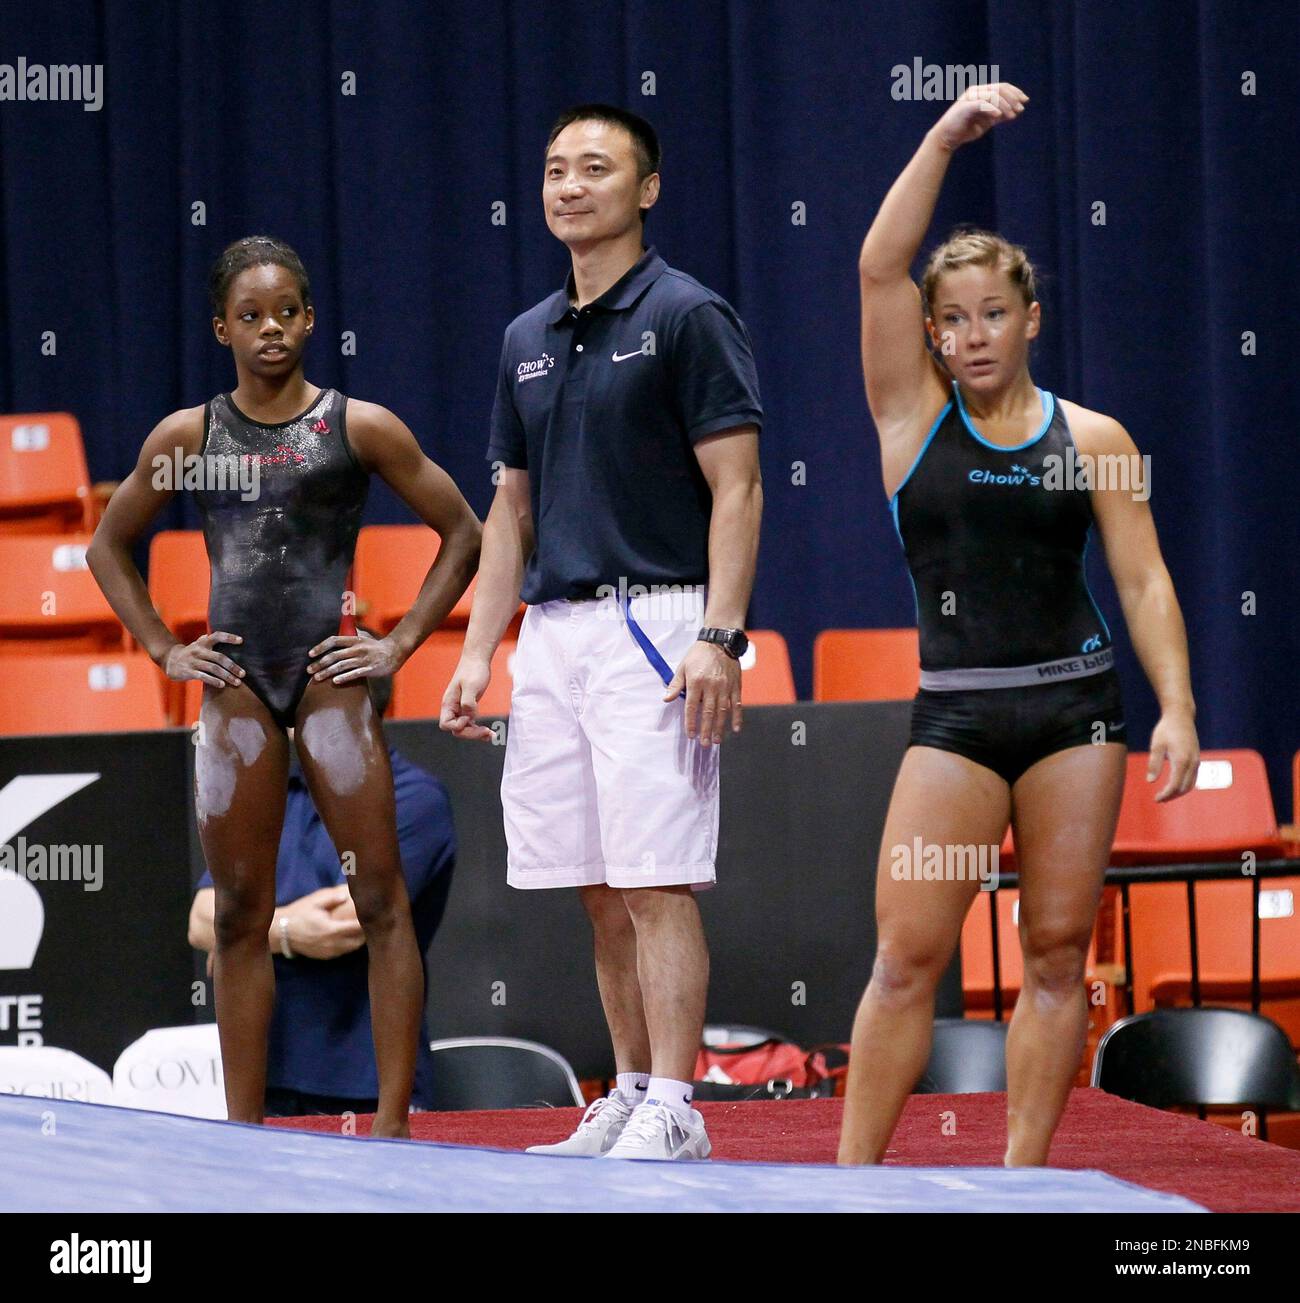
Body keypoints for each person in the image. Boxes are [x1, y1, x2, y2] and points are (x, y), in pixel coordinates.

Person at [838, 84, 1200, 1166]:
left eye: (993, 312)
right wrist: (942, 138)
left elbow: (1142, 581)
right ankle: (850, 1186)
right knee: (905, 957)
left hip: (1075, 715)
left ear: (1030, 318)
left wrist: (1175, 705)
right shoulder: (908, 415)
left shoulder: (1095, 437)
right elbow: (873, 267)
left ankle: (1021, 1181)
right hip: (956, 719)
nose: (970, 334)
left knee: (1053, 953)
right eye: (950, 318)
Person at [87, 236, 481, 1137]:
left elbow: (464, 530)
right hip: (234, 689)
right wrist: (162, 647)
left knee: (383, 899)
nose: (271, 329)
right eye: (251, 315)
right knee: (239, 916)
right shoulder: (189, 436)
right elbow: (107, 546)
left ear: (310, 318)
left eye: (287, 312)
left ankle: (390, 1125)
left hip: (325, 681)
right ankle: (244, 1134)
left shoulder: (357, 426)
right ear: (223, 326)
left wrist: (400, 642)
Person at [440, 105, 763, 1161]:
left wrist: (720, 632)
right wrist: (480, 648)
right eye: (552, 170)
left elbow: (739, 486)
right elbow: (510, 510)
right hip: (556, 628)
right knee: (594, 883)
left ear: (647, 187)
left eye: (594, 168)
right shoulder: (523, 337)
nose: (568, 186)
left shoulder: (688, 314)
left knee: (653, 877)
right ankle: (626, 1087)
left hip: (658, 621)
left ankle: (678, 1102)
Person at [187, 670, 456, 1117]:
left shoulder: (412, 795)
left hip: (365, 1080)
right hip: (269, 1075)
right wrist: (288, 929)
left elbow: (346, 922)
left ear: (358, 710)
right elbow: (203, 919)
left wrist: (258, 929)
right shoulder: (274, 794)